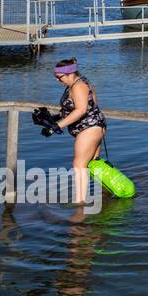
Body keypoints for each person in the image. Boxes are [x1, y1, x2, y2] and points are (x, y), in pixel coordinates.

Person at [49, 59, 106, 205]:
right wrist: (52, 118)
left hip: (89, 128)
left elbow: (81, 110)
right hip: (93, 127)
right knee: (91, 165)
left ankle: (80, 203)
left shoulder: (79, 86)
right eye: (55, 76)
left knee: (79, 165)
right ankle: (102, 197)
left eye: (59, 77)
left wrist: (58, 126)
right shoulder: (76, 84)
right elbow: (76, 108)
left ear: (69, 74)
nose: (57, 80)